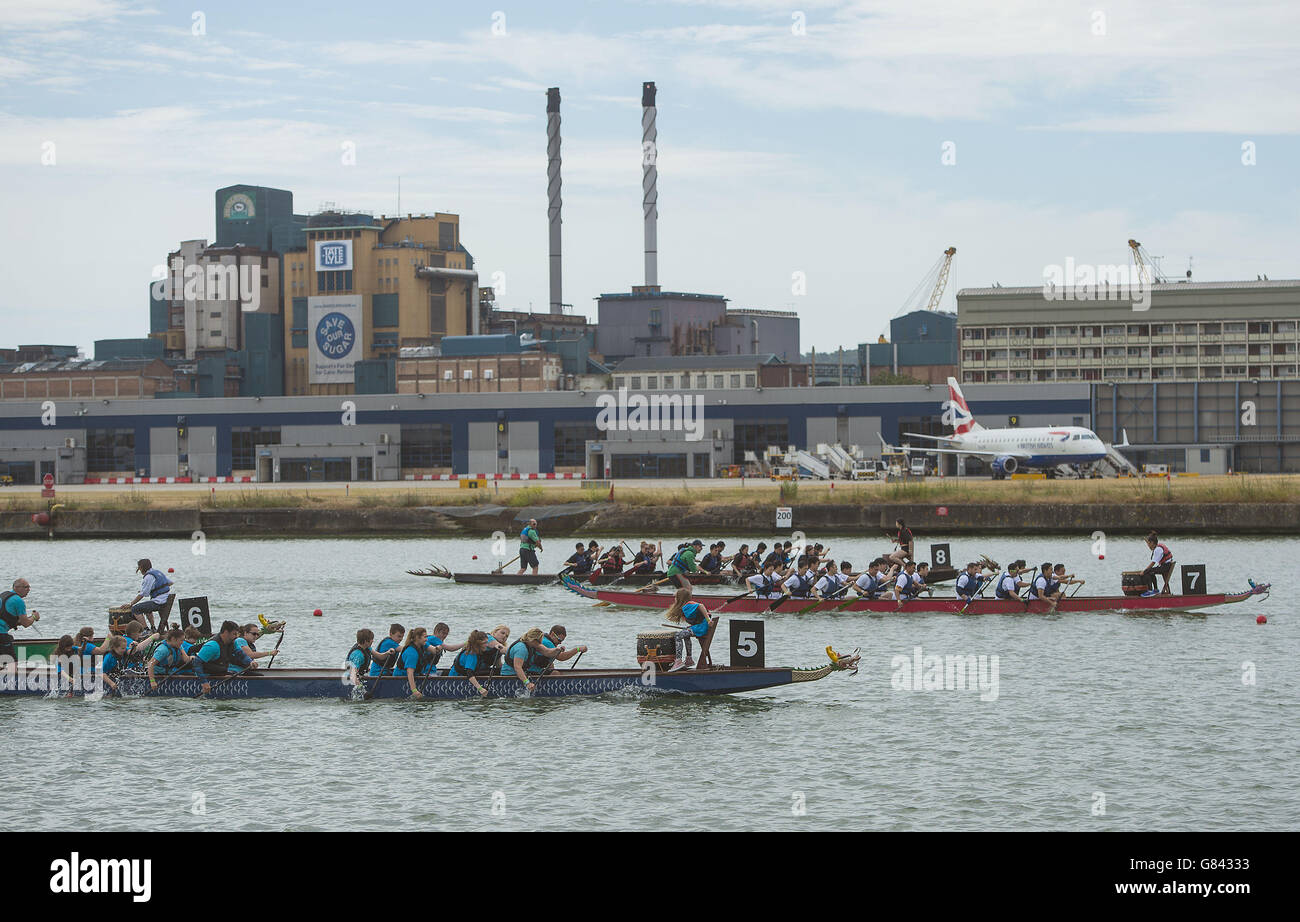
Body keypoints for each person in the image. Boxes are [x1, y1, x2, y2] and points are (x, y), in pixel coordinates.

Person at [664, 588, 718, 672]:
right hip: (699, 627)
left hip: (701, 628)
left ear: (680, 598)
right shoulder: (686, 607)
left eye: (676, 597)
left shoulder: (688, 605)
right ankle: (689, 659)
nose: (675, 599)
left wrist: (708, 620)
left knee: (678, 636)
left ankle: (678, 661)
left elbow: (701, 606)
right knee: (685, 633)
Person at [192, 621, 250, 694]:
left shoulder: (233, 643)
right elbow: (196, 662)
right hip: (207, 675)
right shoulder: (212, 646)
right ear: (226, 632)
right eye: (234, 634)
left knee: (255, 675)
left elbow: (241, 654)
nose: (236, 637)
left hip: (220, 672)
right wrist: (204, 683)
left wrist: (250, 662)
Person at [499, 627, 565, 692]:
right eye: (539, 642)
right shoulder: (521, 648)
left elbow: (547, 652)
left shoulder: (533, 644)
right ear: (533, 640)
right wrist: (527, 683)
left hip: (522, 673)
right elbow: (517, 667)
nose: (540, 644)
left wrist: (557, 650)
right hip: (509, 675)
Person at [0, 578, 40, 668]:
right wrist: (34, 617)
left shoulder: (3, 595)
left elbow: (7, 618)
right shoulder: (18, 601)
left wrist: (23, 620)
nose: (28, 590)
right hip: (1, 635)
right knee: (12, 664)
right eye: (26, 587)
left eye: (29, 587)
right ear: (16, 587)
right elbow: (25, 623)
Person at [126, 558, 173, 632]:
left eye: (139, 567)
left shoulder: (148, 577)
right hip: (165, 600)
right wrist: (157, 588)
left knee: (135, 609)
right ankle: (153, 628)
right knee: (147, 608)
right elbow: (170, 583)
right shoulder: (157, 572)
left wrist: (131, 603)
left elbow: (143, 594)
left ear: (141, 568)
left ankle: (146, 629)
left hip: (159, 602)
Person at [448, 630, 495, 697]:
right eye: (484, 643)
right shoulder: (471, 654)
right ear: (478, 644)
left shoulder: (477, 651)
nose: (487, 645)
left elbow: (487, 654)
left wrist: (496, 649)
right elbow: (469, 673)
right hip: (455, 680)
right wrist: (480, 689)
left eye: (487, 642)